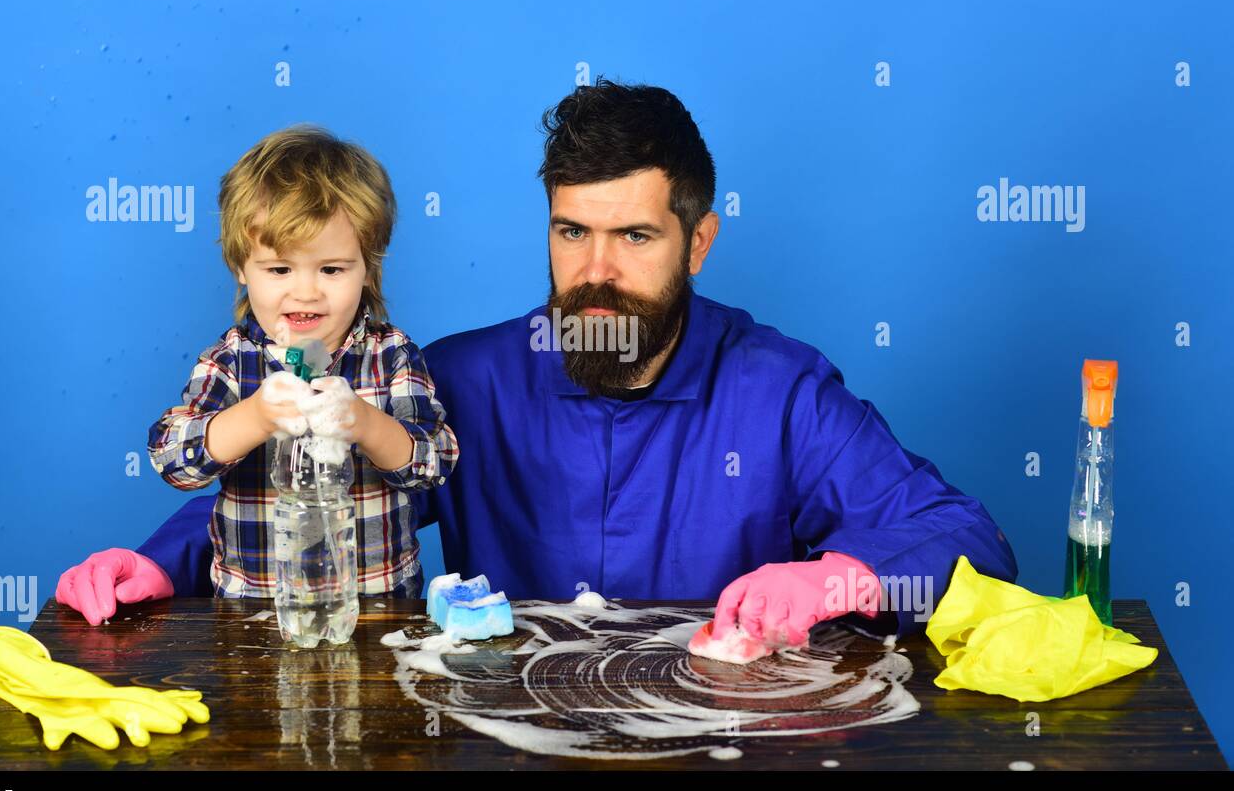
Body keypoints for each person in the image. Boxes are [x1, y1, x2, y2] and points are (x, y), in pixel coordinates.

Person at [60, 82, 1016, 649]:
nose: (596, 272)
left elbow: (967, 540)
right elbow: (313, 478)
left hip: (723, 747)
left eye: (635, 235)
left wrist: (839, 580)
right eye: (572, 232)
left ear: (700, 242)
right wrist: (154, 561)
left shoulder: (782, 392)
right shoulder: (466, 381)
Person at [56, 126, 458, 625]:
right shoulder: (231, 361)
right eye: (279, 269)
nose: (306, 292)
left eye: (331, 270)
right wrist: (256, 415)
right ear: (241, 267)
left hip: (379, 610)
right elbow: (173, 459)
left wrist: (363, 423)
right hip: (251, 610)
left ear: (368, 270)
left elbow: (433, 465)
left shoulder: (390, 355)